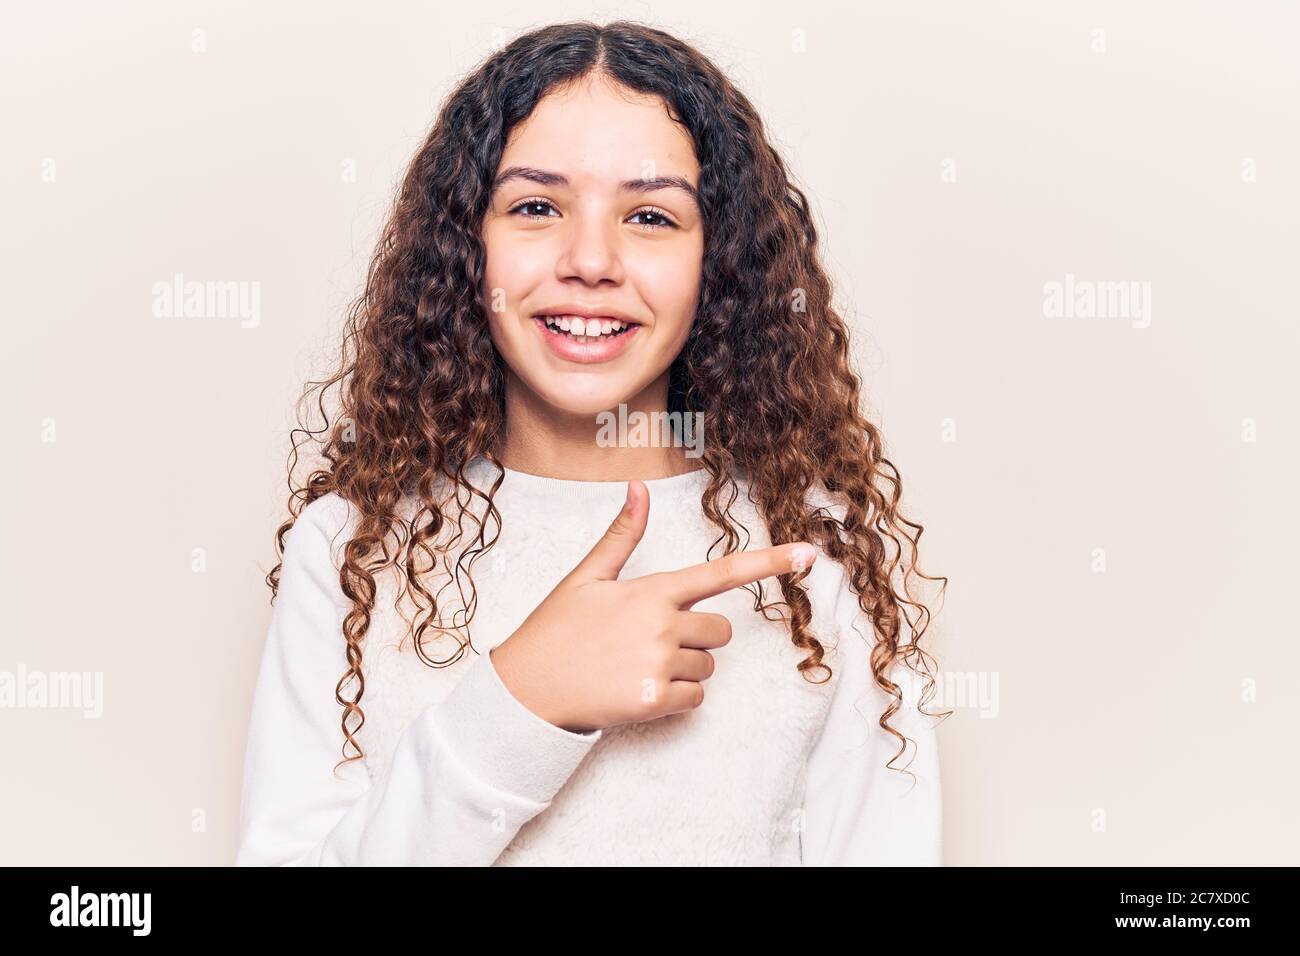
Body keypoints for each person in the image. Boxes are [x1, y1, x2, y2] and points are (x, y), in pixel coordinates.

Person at [236, 20, 949, 867]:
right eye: (536, 206)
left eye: (650, 215)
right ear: (468, 245)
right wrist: (520, 702)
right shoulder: (351, 550)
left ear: (716, 262)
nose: (591, 260)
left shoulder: (815, 554)